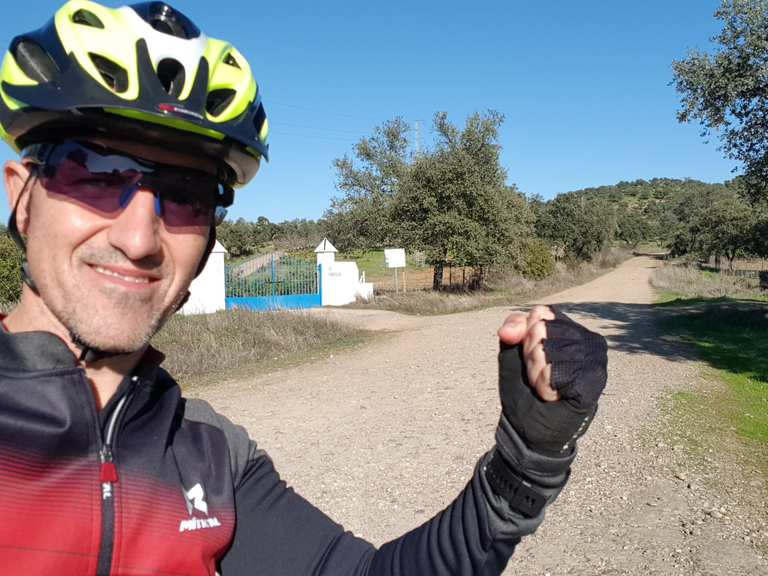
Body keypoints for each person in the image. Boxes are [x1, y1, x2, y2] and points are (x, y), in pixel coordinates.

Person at [0, 2, 608, 575]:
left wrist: (527, 458)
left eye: (186, 192)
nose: (139, 238)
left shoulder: (209, 452)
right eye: (97, 175)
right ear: (21, 196)